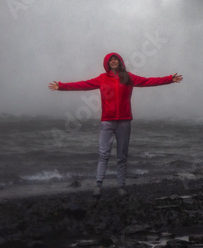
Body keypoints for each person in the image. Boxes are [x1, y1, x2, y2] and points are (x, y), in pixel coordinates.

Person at [49, 52, 182, 196]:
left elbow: (148, 81)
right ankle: (98, 185)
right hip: (107, 121)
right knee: (103, 154)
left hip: (124, 121)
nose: (113, 61)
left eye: (116, 59)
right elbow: (83, 84)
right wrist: (61, 86)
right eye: (111, 60)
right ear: (107, 63)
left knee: (122, 156)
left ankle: (121, 186)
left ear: (120, 62)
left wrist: (170, 79)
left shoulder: (128, 77)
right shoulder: (102, 78)